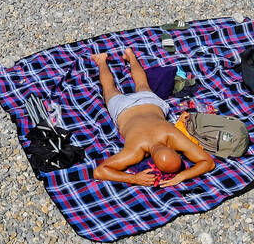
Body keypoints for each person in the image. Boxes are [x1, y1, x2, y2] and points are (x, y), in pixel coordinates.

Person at [91, 48, 214, 187]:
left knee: (141, 84)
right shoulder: (135, 151)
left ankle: (126, 56)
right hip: (123, 110)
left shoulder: (170, 135)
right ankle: (106, 60)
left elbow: (208, 162)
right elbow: (99, 172)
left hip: (149, 103)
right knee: (109, 89)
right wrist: (133, 178)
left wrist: (181, 175)